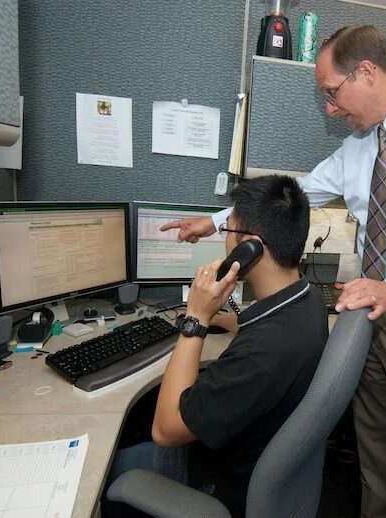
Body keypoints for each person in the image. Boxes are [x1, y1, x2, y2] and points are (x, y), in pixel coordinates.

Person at [160, 24, 386, 517]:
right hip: (369, 309)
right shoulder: (360, 146)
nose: (329, 108)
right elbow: (298, 195)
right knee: (375, 456)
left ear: (366, 73)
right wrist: (215, 220)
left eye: (331, 92)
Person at [106, 175, 328, 517]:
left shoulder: (259, 354)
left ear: (250, 247)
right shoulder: (307, 299)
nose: (225, 243)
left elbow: (165, 430)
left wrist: (196, 318)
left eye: (229, 232)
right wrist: (230, 319)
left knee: (108, 468)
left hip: (214, 476)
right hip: (253, 450)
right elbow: (270, 335)